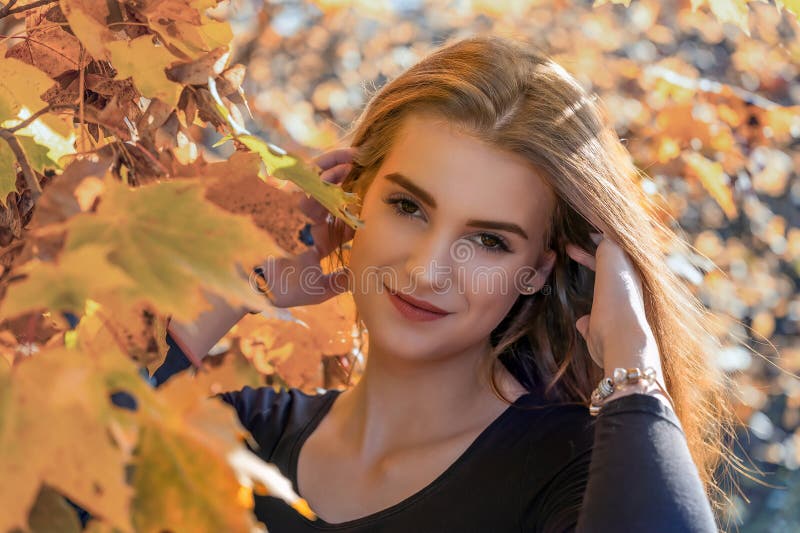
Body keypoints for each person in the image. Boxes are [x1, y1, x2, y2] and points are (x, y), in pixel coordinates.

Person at [163, 35, 732, 532]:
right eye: (408, 206)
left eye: (491, 241)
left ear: (536, 271)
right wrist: (237, 281)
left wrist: (633, 367)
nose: (427, 270)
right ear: (351, 199)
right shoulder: (237, 435)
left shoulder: (572, 475)